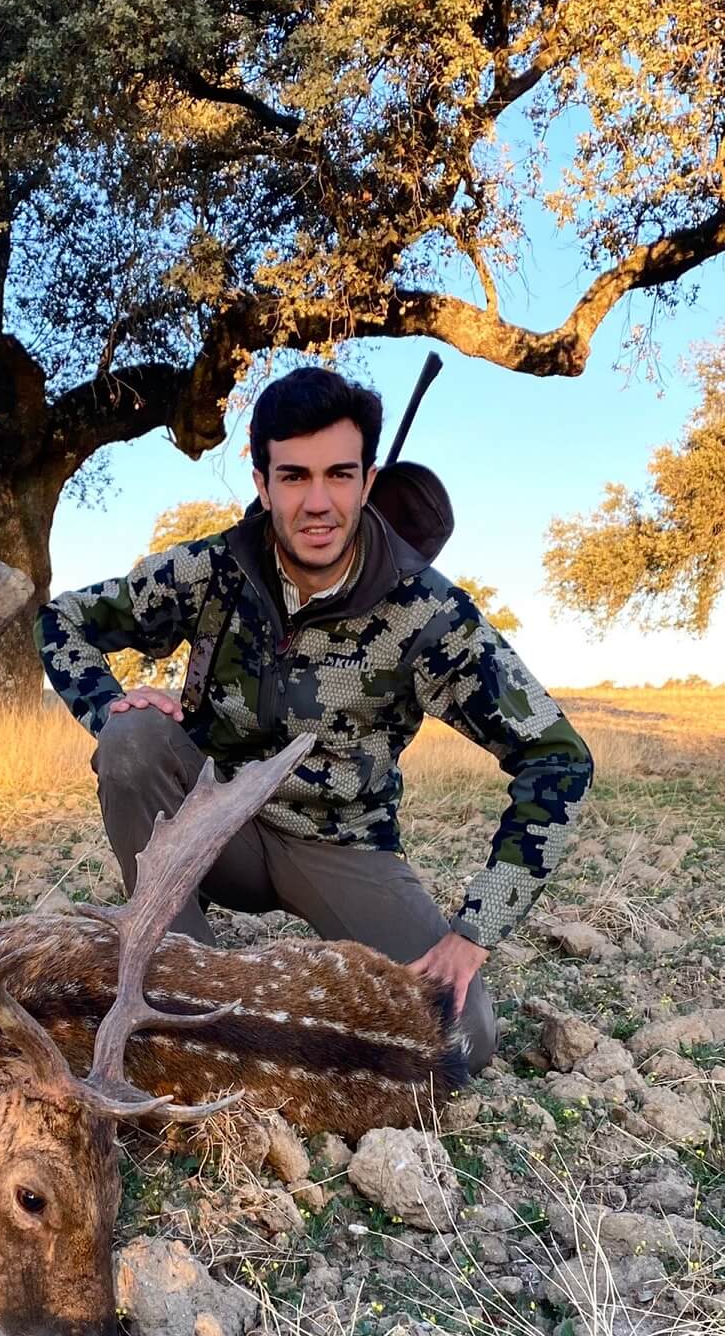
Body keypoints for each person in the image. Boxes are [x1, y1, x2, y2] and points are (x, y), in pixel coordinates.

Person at [34, 367, 593, 1073]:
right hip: (216, 823)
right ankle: (184, 989)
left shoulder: (429, 613)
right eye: (294, 476)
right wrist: (109, 703)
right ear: (262, 483)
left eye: (340, 474)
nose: (319, 502)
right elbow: (63, 620)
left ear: (367, 480)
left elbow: (558, 755)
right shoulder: (211, 568)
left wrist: (475, 929)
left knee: (458, 1038)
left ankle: (290, 994)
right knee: (132, 739)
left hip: (342, 844)